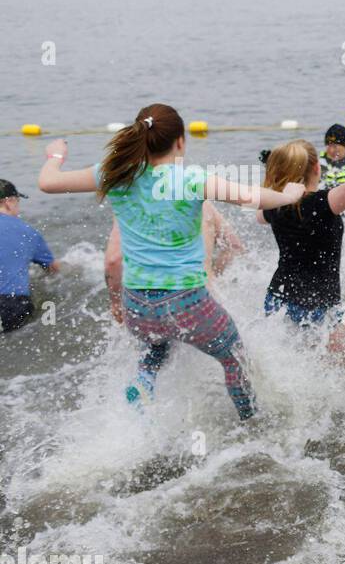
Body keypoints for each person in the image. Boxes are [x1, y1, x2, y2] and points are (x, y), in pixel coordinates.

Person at [37, 104, 306, 419]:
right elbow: (251, 197)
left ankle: (143, 382)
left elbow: (48, 183)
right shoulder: (190, 179)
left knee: (156, 348)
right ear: (180, 141)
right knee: (234, 358)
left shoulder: (114, 173)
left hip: (137, 303)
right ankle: (251, 422)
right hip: (187, 302)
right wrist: (288, 196)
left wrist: (55, 155)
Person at [258, 104, 345, 351]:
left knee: (288, 356)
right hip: (318, 304)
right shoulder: (322, 203)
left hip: (276, 298)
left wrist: (273, 177)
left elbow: (259, 214)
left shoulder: (273, 205)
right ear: (316, 168)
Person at [105, 203, 245, 324]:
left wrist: (116, 303)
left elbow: (114, 261)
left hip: (156, 302)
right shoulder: (202, 202)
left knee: (155, 349)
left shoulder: (133, 203)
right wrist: (214, 272)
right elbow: (235, 246)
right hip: (204, 297)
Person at [0, 179, 59, 332]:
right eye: (17, 202)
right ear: (8, 202)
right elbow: (53, 269)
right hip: (12, 304)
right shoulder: (29, 232)